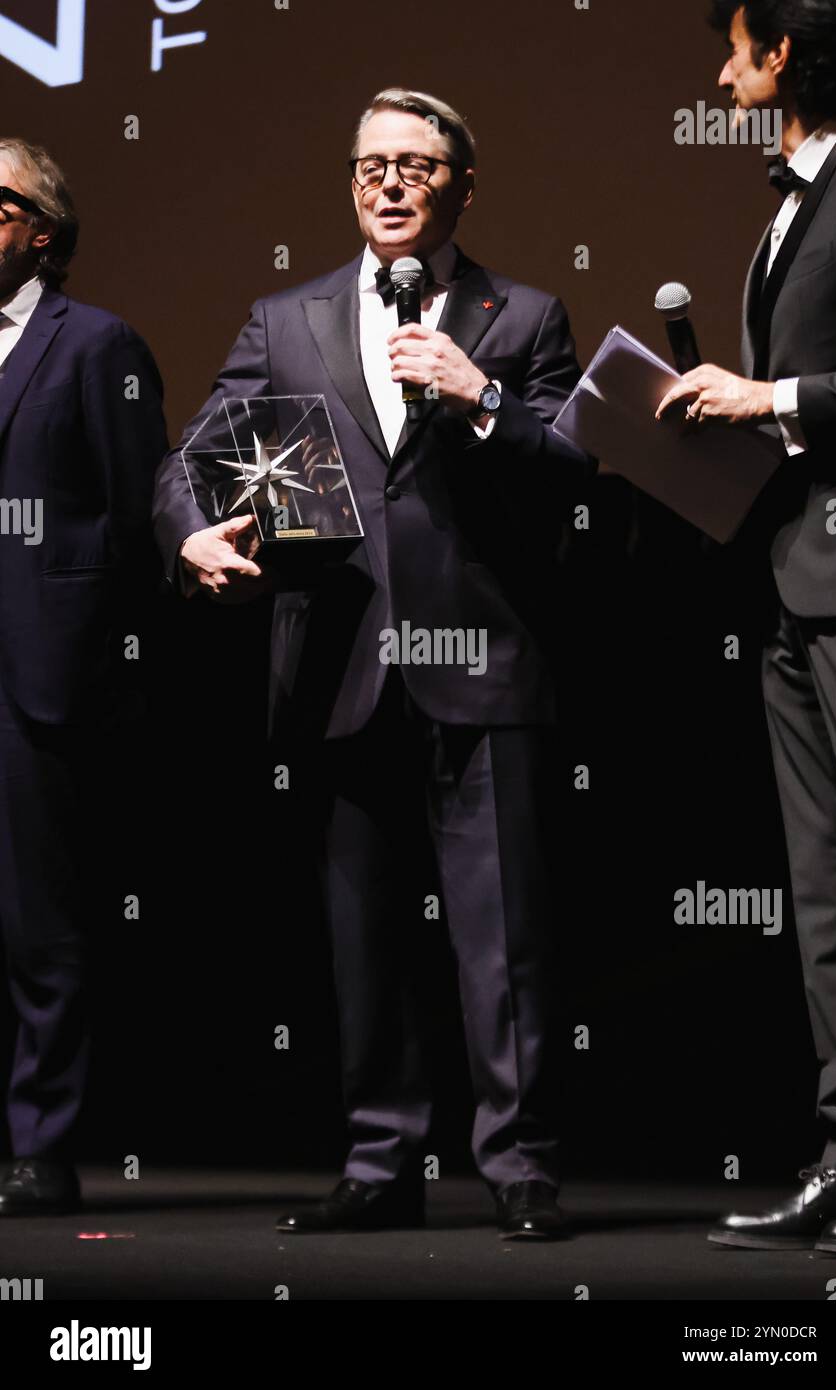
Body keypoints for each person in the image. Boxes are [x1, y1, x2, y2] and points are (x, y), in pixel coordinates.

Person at [153, 88, 594, 1239]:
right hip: (341, 659)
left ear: (459, 183)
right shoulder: (284, 317)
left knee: (506, 937)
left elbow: (575, 471)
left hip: (486, 662)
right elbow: (193, 458)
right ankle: (378, 1158)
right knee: (365, 935)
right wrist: (188, 532)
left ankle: (520, 1165)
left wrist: (481, 394)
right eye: (370, 167)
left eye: (415, 164)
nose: (390, 183)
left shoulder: (524, 314)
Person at [656, 1, 836, 1256]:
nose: (721, 68)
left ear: (783, 53)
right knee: (829, 897)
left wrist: (770, 394)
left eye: (736, 45)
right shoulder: (797, 187)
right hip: (795, 579)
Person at [0, 140, 167, 1214]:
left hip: (34, 679)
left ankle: (41, 1143)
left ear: (38, 231)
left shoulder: (97, 342)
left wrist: (104, 666)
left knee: (38, 925)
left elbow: (138, 517)